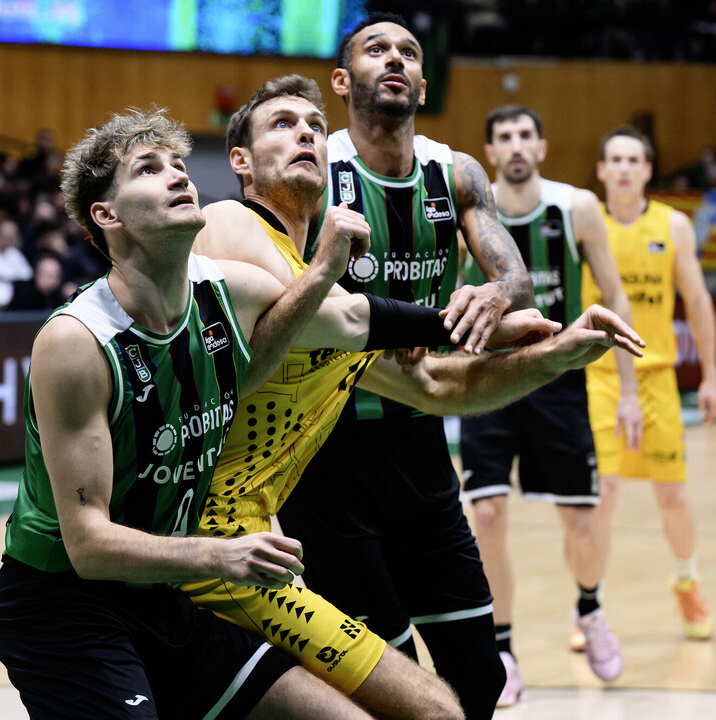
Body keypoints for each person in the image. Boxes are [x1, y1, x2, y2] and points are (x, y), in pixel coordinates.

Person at [184, 75, 646, 720]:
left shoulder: (324, 286)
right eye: (283, 125)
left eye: (314, 127)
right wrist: (447, 324)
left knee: (454, 691)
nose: (306, 136)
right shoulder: (230, 225)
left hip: (255, 549)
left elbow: (435, 384)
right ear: (240, 162)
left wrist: (560, 351)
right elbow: (341, 320)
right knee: (423, 706)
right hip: (196, 548)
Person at [0, 104, 385, 720]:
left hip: (161, 594)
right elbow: (89, 544)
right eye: (150, 169)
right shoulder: (75, 341)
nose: (179, 175)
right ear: (106, 215)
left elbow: (326, 330)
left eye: (179, 164)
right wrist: (221, 554)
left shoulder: (223, 290)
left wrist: (473, 324)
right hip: (62, 606)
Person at [274, 14, 541, 719]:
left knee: (478, 680)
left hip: (422, 448)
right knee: (391, 684)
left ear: (422, 85)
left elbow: (519, 281)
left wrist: (492, 291)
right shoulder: (313, 172)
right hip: (325, 456)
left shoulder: (455, 174)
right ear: (342, 80)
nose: (394, 58)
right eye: (375, 49)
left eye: (408, 52)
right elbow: (278, 286)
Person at [459, 105, 641, 700]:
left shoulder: (577, 207)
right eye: (503, 137)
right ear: (489, 152)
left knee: (582, 521)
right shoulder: (470, 218)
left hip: (559, 381)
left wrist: (630, 390)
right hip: (489, 377)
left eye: (524, 136)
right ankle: (503, 646)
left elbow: (613, 292)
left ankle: (589, 608)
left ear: (541, 147)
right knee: (485, 513)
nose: (515, 146)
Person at [588, 125, 716, 643]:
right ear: (601, 170)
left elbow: (699, 300)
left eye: (633, 160)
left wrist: (710, 375)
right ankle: (591, 606)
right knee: (601, 495)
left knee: (673, 498)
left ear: (647, 170)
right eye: (614, 159)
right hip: (596, 377)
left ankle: (687, 582)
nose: (623, 168)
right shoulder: (585, 222)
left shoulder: (675, 226)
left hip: (657, 377)